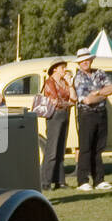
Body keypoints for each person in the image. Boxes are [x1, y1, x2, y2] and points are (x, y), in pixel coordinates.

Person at [72, 48, 112, 191]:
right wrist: (103, 94)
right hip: (87, 115)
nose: (85, 62)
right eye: (82, 61)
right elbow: (87, 100)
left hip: (101, 113)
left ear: (91, 60)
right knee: (85, 147)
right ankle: (82, 181)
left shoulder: (99, 73)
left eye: (87, 59)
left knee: (99, 147)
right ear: (79, 63)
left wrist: (98, 92)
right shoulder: (78, 78)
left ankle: (99, 180)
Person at [39, 60, 75, 190]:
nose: (64, 70)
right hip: (54, 116)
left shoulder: (64, 82)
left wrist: (70, 85)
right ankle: (46, 181)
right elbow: (55, 101)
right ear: (55, 69)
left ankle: (60, 180)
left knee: (60, 148)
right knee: (52, 150)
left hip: (64, 114)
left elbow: (74, 99)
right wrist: (68, 103)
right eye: (62, 68)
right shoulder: (49, 82)